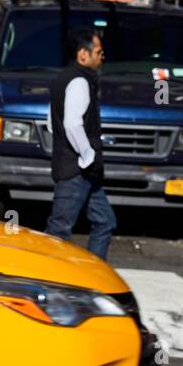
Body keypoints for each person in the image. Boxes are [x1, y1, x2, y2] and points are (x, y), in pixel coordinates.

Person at [44, 27, 115, 260]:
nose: (101, 56)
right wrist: (87, 155)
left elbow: (51, 123)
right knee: (58, 231)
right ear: (83, 55)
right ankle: (44, 279)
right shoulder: (80, 82)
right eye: (98, 51)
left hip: (81, 170)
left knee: (104, 221)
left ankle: (93, 276)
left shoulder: (62, 79)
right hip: (76, 170)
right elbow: (72, 124)